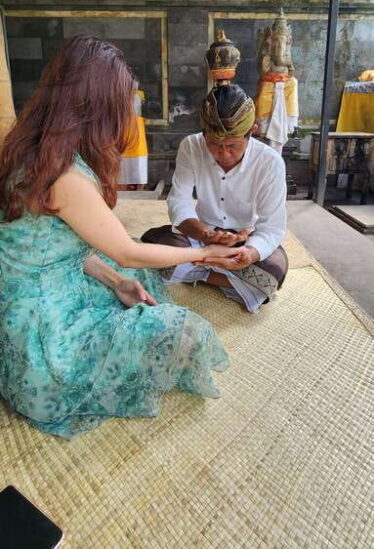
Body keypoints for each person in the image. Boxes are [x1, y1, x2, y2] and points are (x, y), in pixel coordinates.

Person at [0, 36, 239, 439]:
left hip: (25, 302)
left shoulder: (28, 150)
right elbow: (131, 249)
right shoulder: (66, 176)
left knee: (133, 278)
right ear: (97, 109)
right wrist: (206, 252)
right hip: (44, 338)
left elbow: (54, 250)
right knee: (182, 328)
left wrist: (117, 281)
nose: (129, 116)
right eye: (125, 106)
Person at [142, 84, 288, 312]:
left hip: (243, 240)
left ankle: (197, 273)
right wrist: (205, 234)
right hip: (199, 235)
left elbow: (272, 227)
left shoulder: (270, 162)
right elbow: (179, 200)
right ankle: (223, 278)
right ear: (203, 134)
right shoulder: (191, 146)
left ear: (252, 131)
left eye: (232, 145)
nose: (223, 153)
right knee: (151, 244)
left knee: (274, 270)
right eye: (213, 143)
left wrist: (248, 253)